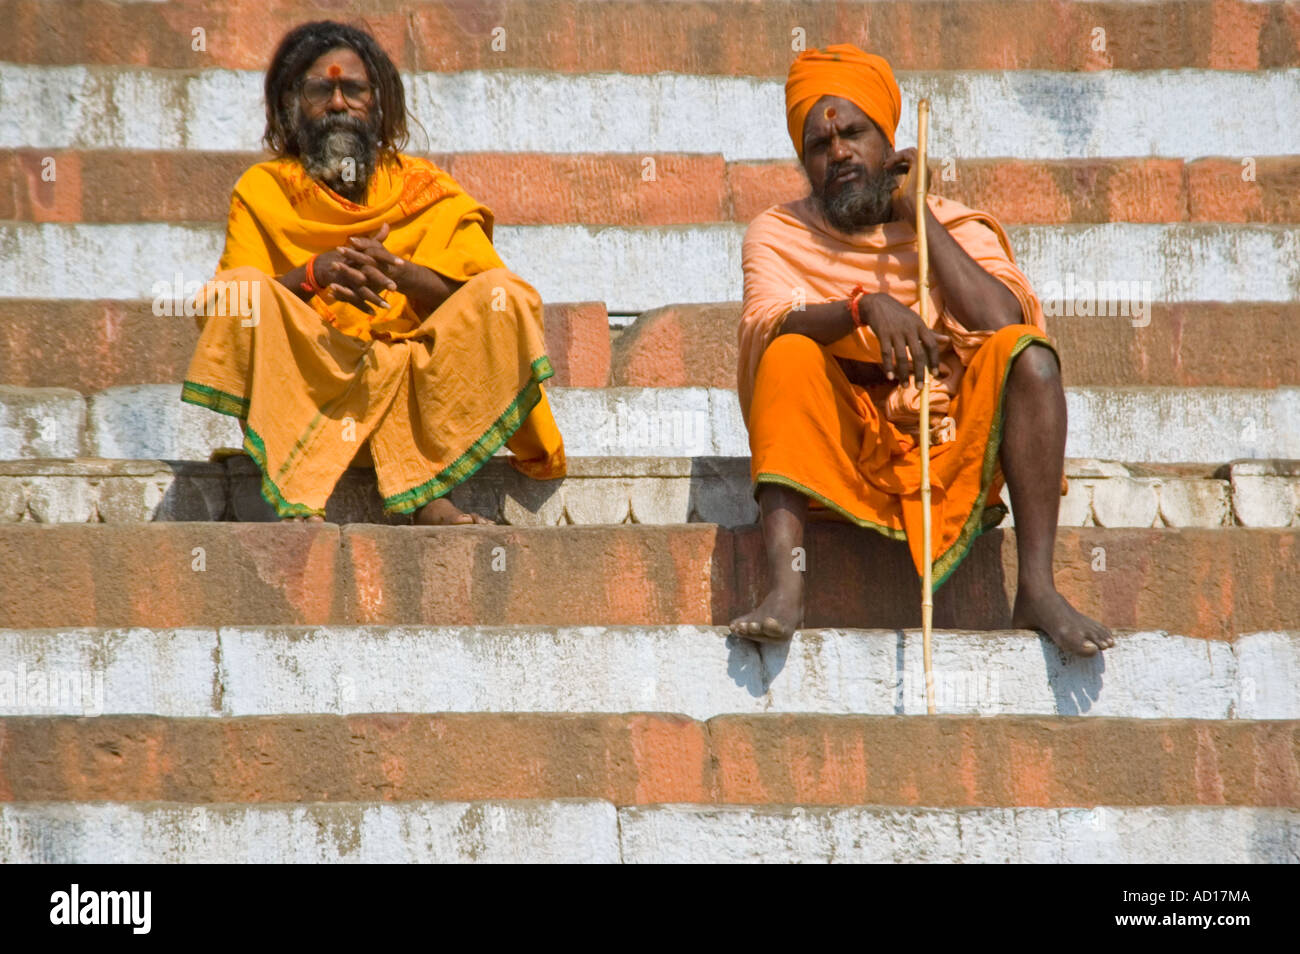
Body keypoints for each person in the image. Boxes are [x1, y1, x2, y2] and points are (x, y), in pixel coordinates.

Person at [730, 44, 1114, 656]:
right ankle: (786, 587)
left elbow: (1003, 318)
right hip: (840, 449)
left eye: (854, 134)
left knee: (1030, 357)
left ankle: (1037, 588)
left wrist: (918, 218)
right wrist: (864, 307)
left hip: (948, 439)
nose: (839, 153)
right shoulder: (779, 232)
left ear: (890, 141)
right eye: (819, 147)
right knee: (786, 350)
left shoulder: (953, 223)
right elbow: (766, 325)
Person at [182, 20, 565, 524]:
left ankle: (428, 489)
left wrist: (402, 275)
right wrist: (314, 276)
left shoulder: (425, 188)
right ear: (291, 105)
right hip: (313, 400)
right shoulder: (264, 189)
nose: (338, 103)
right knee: (239, 291)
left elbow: (479, 300)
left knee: (503, 295)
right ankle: (299, 485)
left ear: (378, 103)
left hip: (420, 401)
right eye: (321, 89)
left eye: (353, 89)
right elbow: (228, 311)